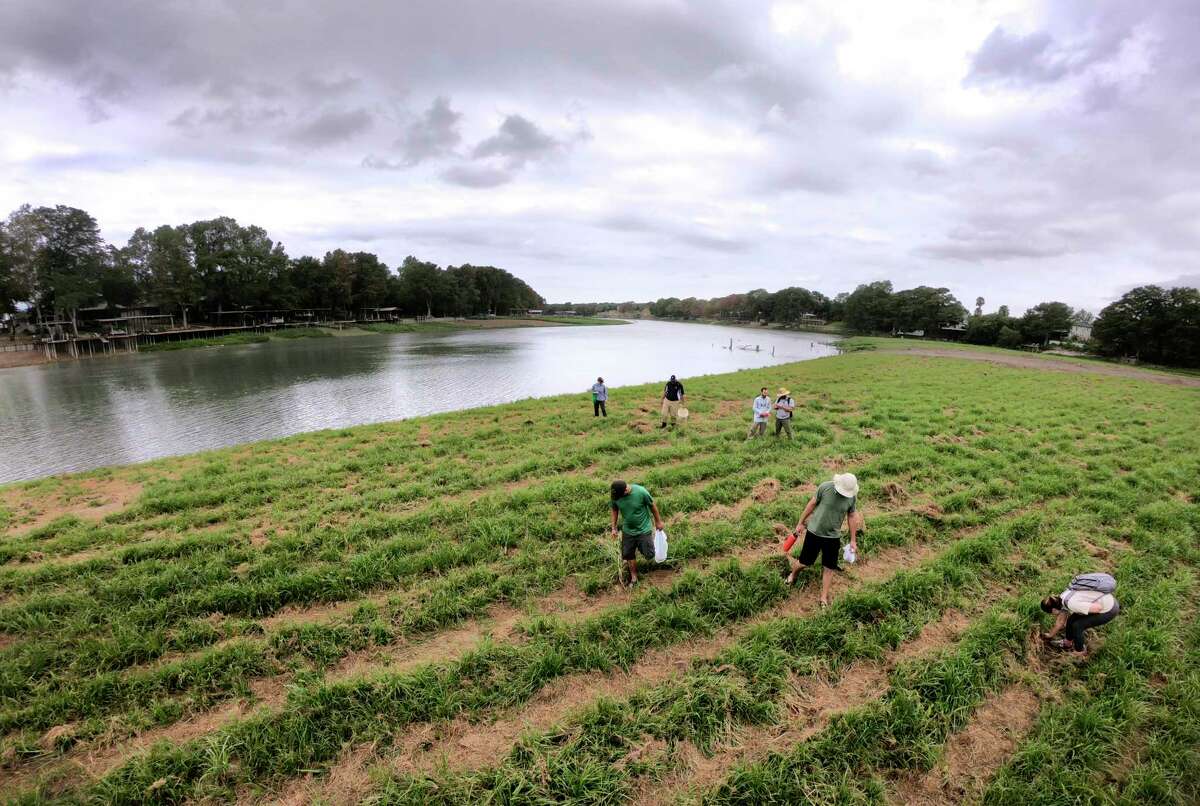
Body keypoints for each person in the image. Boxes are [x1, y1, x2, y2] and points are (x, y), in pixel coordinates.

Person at [783, 473, 860, 607]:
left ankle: (823, 597)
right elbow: (811, 504)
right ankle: (793, 575)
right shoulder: (825, 487)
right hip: (814, 533)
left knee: (829, 567)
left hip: (833, 537)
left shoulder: (851, 497)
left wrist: (853, 540)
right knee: (804, 562)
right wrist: (800, 522)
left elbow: (852, 516)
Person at [1040, 580, 1119, 658]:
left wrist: (1083, 612)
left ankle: (1080, 652)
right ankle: (1067, 643)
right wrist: (1050, 635)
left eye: (1051, 613)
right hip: (1103, 600)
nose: (1053, 615)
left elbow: (1098, 608)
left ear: (1054, 610)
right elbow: (1060, 622)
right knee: (1071, 620)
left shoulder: (1071, 604)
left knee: (1078, 625)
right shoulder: (1062, 599)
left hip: (1109, 608)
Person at [610, 479, 664, 588]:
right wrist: (614, 528)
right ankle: (634, 577)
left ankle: (645, 545)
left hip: (643, 529)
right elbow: (615, 510)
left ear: (626, 490)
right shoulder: (616, 495)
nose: (618, 498)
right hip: (628, 530)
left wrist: (658, 521)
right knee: (628, 554)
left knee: (649, 554)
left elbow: (652, 505)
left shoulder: (641, 492)